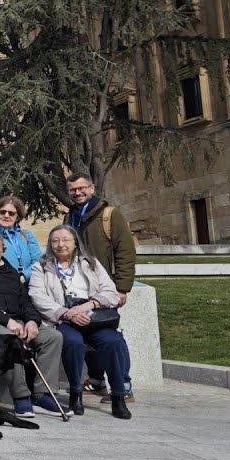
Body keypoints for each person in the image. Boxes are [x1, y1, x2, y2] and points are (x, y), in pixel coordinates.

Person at [0, 232, 71, 418]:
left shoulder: (9, 270)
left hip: (18, 320)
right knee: (10, 342)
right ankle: (21, 397)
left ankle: (43, 394)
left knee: (53, 337)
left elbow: (26, 302)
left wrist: (32, 322)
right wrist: (6, 321)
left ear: (3, 250)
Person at [30, 225, 132, 419]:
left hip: (94, 318)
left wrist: (89, 305)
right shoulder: (42, 266)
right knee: (73, 342)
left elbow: (110, 292)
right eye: (55, 241)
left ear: (75, 242)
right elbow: (37, 296)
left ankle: (119, 396)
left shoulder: (90, 263)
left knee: (113, 342)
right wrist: (67, 314)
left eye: (66, 240)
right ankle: (76, 393)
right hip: (63, 319)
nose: (61, 245)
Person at [65, 172, 137, 402]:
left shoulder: (109, 215)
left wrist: (122, 287)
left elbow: (125, 251)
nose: (78, 193)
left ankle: (123, 384)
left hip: (104, 288)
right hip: (78, 288)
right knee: (86, 332)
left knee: (109, 332)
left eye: (82, 188)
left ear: (92, 188)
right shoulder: (71, 216)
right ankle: (96, 381)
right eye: (73, 190)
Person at [0, 195, 42, 278]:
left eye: (11, 213)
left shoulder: (26, 235)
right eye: (2, 212)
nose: (6, 216)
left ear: (17, 217)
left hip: (27, 284)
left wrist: (24, 276)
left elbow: (38, 261)